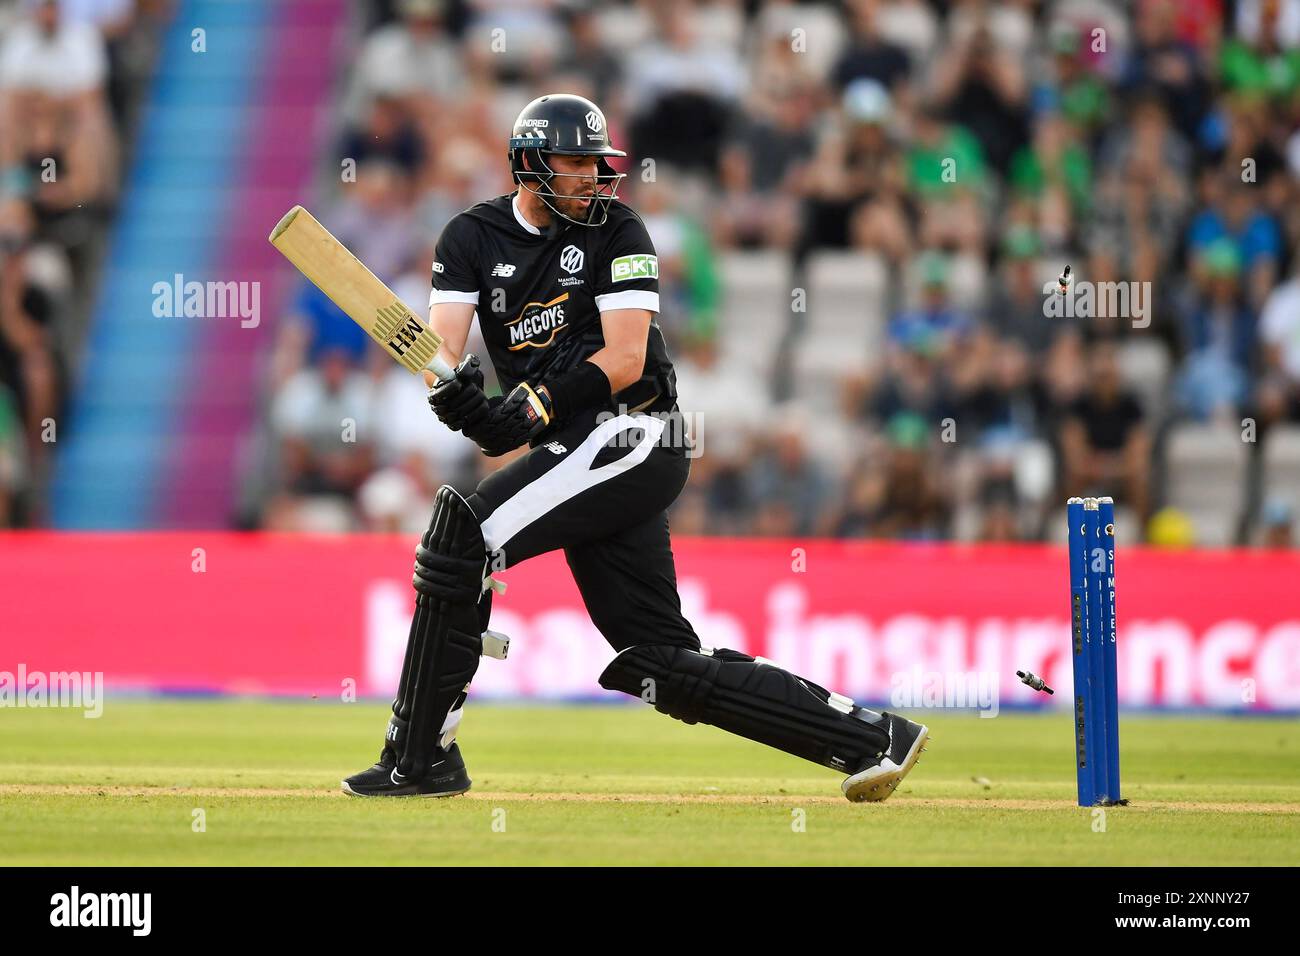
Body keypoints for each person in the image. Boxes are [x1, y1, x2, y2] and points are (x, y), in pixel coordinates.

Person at [341, 93, 929, 803]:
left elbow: (624, 358)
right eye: (574, 162)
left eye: (596, 162)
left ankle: (420, 756)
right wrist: (459, 398)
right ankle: (871, 738)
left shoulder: (620, 230)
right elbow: (443, 350)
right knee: (659, 659)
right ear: (528, 164)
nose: (591, 176)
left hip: (636, 432)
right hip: (581, 451)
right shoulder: (471, 236)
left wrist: (529, 405)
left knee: (462, 539)